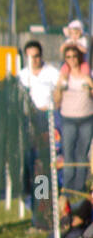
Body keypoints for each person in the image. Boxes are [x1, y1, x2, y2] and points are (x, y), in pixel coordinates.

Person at [55, 42, 93, 203]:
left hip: (86, 117)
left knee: (82, 154)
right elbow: (56, 100)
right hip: (68, 118)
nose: (72, 59)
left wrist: (89, 88)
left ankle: (80, 187)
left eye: (74, 56)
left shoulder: (86, 75)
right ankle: (68, 188)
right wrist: (59, 88)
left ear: (79, 57)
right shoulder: (64, 77)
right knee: (69, 153)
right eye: (68, 57)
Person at [17, 40, 60, 111]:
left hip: (48, 114)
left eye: (36, 56)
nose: (33, 60)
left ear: (41, 55)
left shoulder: (53, 73)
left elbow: (60, 94)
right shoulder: (21, 75)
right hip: (28, 116)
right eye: (30, 57)